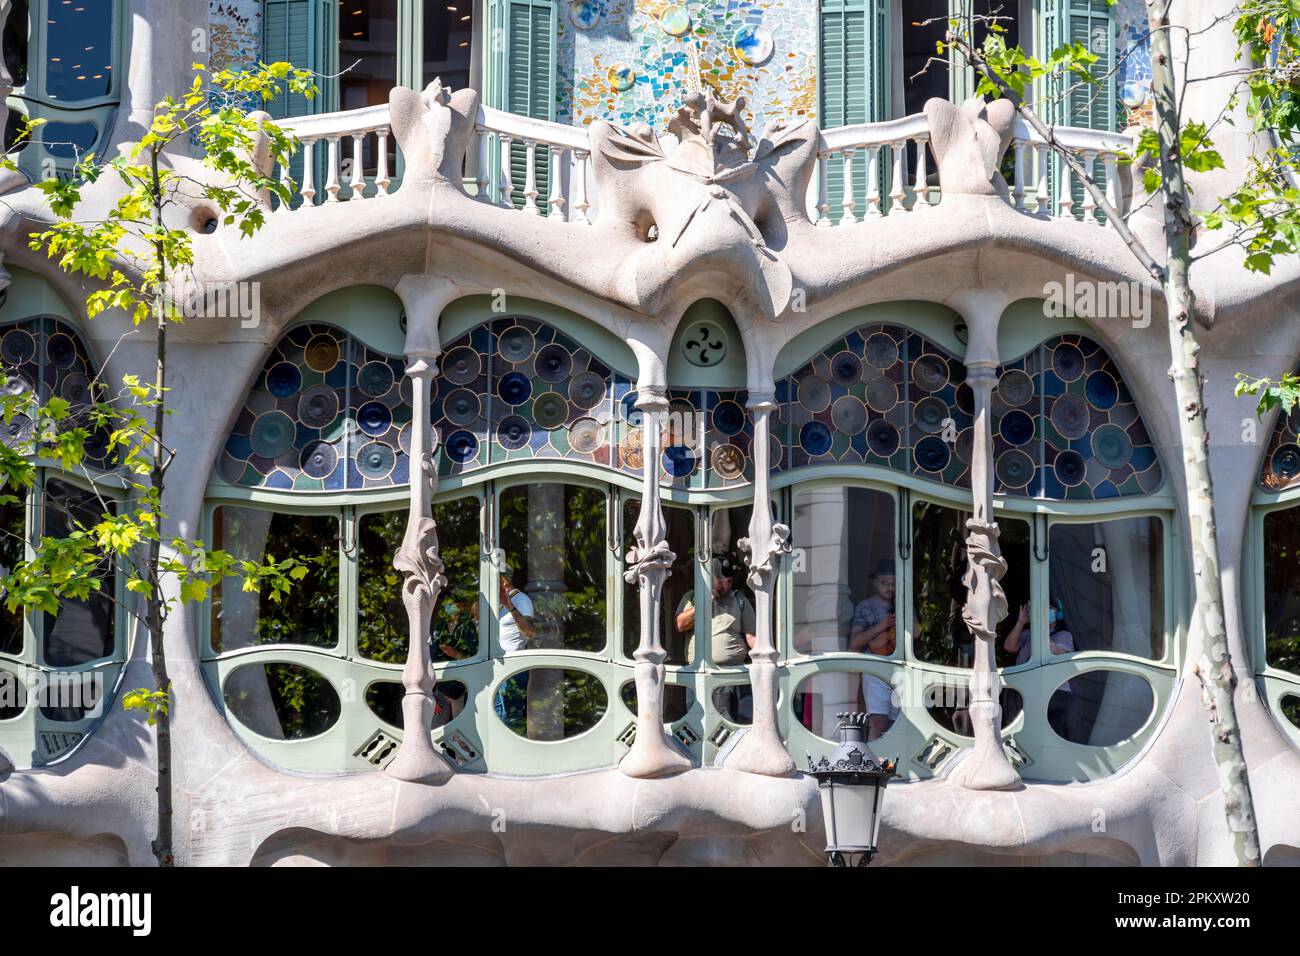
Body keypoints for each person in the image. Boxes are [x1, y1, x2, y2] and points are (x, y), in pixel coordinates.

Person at [849, 558, 904, 740]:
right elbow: (854, 643)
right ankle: (875, 762)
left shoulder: (903, 605)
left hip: (900, 670)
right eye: (885, 583)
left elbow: (918, 632)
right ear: (875, 583)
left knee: (901, 722)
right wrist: (881, 627)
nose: (890, 588)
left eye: (894, 583)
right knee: (878, 723)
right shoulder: (865, 607)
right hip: (875, 669)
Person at [675, 554, 756, 665]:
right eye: (721, 582)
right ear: (711, 578)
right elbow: (680, 625)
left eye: (729, 582)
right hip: (699, 671)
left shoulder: (739, 599)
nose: (726, 586)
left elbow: (751, 637)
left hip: (734, 671)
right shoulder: (693, 596)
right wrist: (703, 603)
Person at [496, 572, 536, 653]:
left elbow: (529, 632)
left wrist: (510, 607)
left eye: (496, 579)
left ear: (504, 580)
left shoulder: (521, 599)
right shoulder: (500, 602)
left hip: (512, 661)